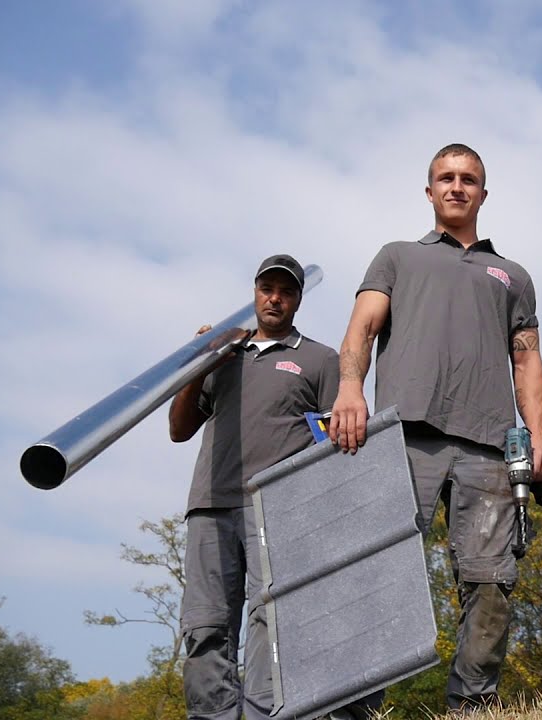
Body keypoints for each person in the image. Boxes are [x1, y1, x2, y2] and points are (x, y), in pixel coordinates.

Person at [328, 143, 542, 712]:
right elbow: (361, 329)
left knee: (490, 584)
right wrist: (350, 389)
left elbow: (526, 360)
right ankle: (355, 707)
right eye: (445, 178)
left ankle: (472, 705)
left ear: (482, 192)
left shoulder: (513, 275)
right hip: (404, 439)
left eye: (468, 179)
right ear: (429, 192)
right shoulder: (397, 256)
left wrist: (539, 432)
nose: (457, 186)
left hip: (490, 451)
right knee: (377, 574)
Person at [170, 255, 354, 719]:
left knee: (268, 622)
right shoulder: (221, 355)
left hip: (276, 507)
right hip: (211, 504)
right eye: (267, 289)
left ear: (297, 300)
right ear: (254, 293)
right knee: (205, 625)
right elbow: (178, 428)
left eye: (286, 291)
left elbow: (337, 437)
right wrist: (196, 364)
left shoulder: (318, 359)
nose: (275, 298)